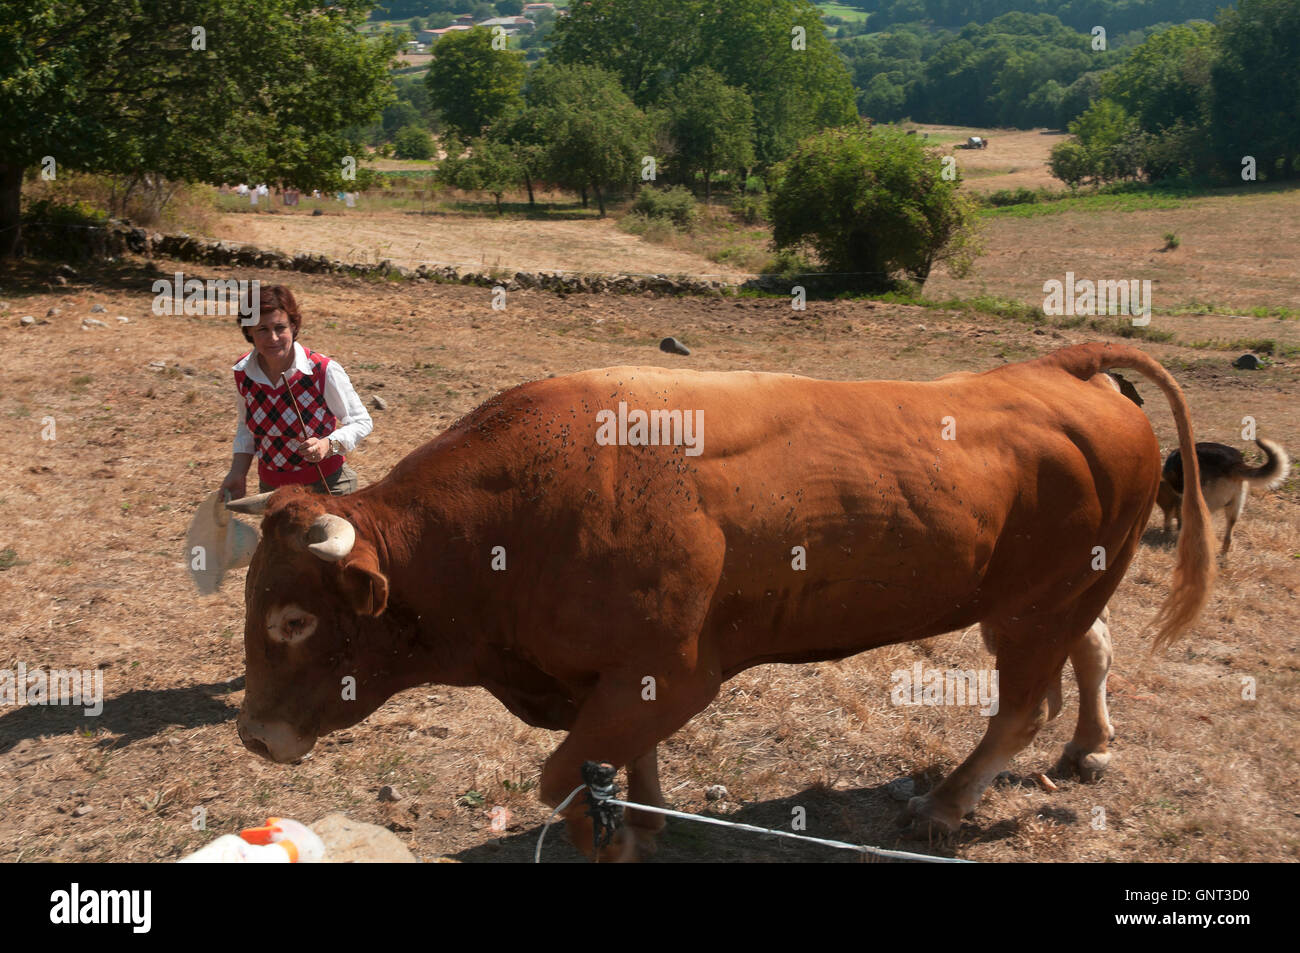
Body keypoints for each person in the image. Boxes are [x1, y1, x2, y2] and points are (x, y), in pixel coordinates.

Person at [219, 284, 372, 499]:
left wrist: (327, 445)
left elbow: (361, 421)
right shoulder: (244, 373)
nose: (272, 338)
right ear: (249, 331)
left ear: (293, 326)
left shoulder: (321, 370)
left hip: (326, 488)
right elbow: (246, 428)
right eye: (262, 329)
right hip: (273, 492)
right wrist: (238, 473)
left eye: (280, 327)